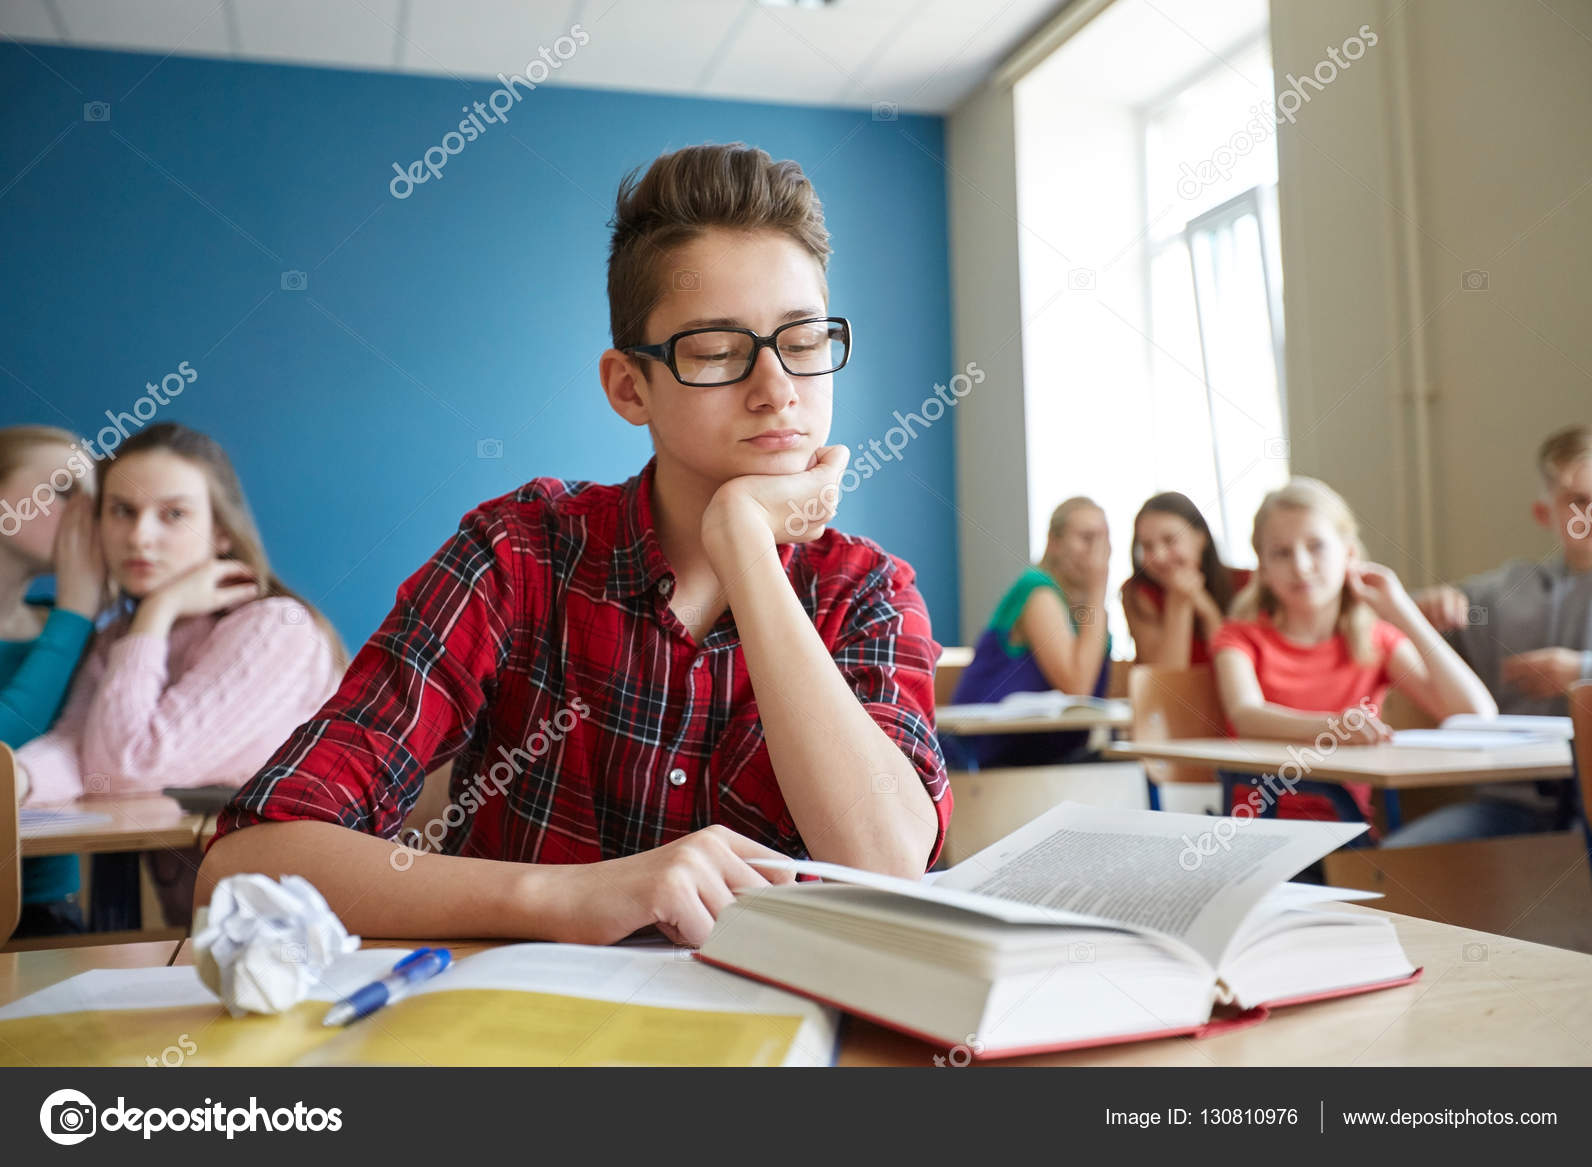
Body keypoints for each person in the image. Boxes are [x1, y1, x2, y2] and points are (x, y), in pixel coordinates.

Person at [197, 143, 951, 949]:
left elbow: (887, 862)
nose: (777, 389)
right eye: (716, 352)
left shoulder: (867, 591)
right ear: (630, 386)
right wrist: (569, 897)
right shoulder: (519, 554)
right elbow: (238, 873)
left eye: (801, 341)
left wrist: (744, 544)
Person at [15, 423, 344, 924]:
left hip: (313, 928)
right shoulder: (121, 639)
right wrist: (14, 778)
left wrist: (157, 612)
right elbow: (81, 750)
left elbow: (131, 766)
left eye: (174, 514)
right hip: (203, 932)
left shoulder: (276, 628)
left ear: (220, 532)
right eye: (122, 511)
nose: (140, 536)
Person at [1212, 478, 1496, 825]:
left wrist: (1404, 613)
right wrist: (1332, 726)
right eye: (1281, 553)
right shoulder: (1239, 637)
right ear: (1264, 569)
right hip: (1260, 827)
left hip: (1346, 834)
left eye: (1316, 546)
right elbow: (1246, 715)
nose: (1300, 566)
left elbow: (1477, 715)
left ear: (1348, 554)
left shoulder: (1375, 639)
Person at [1385, 423, 1592, 845]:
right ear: (1545, 514)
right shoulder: (1508, 590)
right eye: (1578, 501)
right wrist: (1428, 604)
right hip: (1513, 805)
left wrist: (1583, 669)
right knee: (1397, 863)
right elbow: (1400, 623)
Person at [0, 426, 102, 934]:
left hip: (49, 910)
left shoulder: (59, 625)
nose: (89, 514)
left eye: (94, 499)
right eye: (65, 490)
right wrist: (77, 612)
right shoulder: (68, 623)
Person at [946, 497, 1111, 767]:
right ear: (1054, 543)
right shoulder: (1037, 590)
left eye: (1104, 539)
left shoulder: (1087, 612)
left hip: (1045, 755)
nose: (1098, 552)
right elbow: (1078, 687)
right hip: (987, 756)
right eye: (1086, 538)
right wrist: (1097, 590)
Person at [1121, 491, 1249, 668]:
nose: (1158, 556)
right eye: (1147, 546)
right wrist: (1179, 603)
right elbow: (1167, 684)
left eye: (1170, 540)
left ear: (1200, 538)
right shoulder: (1137, 593)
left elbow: (1239, 670)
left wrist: (1207, 610)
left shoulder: (1245, 583)